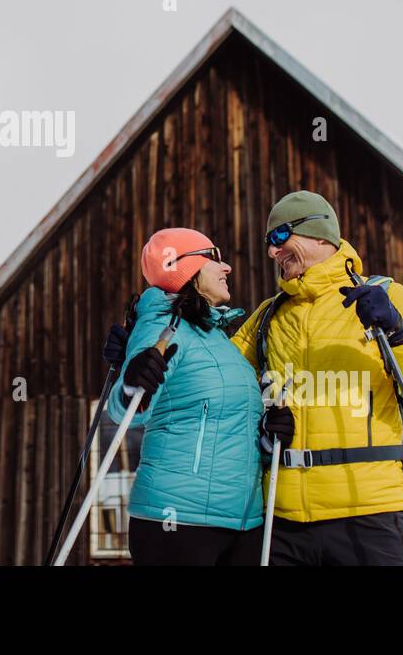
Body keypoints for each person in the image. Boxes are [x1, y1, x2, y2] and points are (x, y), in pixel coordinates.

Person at [229, 190, 403, 565]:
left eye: (280, 237)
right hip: (284, 523)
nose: (273, 252)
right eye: (268, 243)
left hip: (370, 517)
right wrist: (158, 332)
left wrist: (399, 332)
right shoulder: (267, 317)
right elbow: (216, 388)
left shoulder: (384, 297)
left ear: (320, 236)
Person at [105, 227, 291, 565]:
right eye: (214, 257)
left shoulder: (219, 340)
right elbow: (127, 410)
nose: (227, 267)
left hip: (242, 521)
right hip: (180, 521)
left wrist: (267, 439)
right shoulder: (164, 326)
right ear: (186, 270)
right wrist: (133, 383)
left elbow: (228, 424)